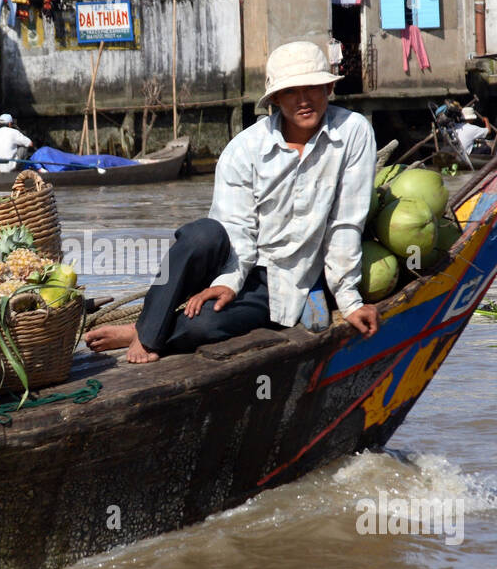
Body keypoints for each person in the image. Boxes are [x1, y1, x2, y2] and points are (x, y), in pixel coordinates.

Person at [84, 41, 380, 364]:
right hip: (238, 260)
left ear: (328, 89)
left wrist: (349, 300)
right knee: (201, 235)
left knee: (205, 325)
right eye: (293, 91)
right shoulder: (243, 150)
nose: (305, 100)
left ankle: (144, 330)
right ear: (277, 98)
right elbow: (237, 229)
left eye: (313, 88)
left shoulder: (354, 133)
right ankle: (147, 329)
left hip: (290, 278)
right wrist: (228, 283)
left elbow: (345, 223)